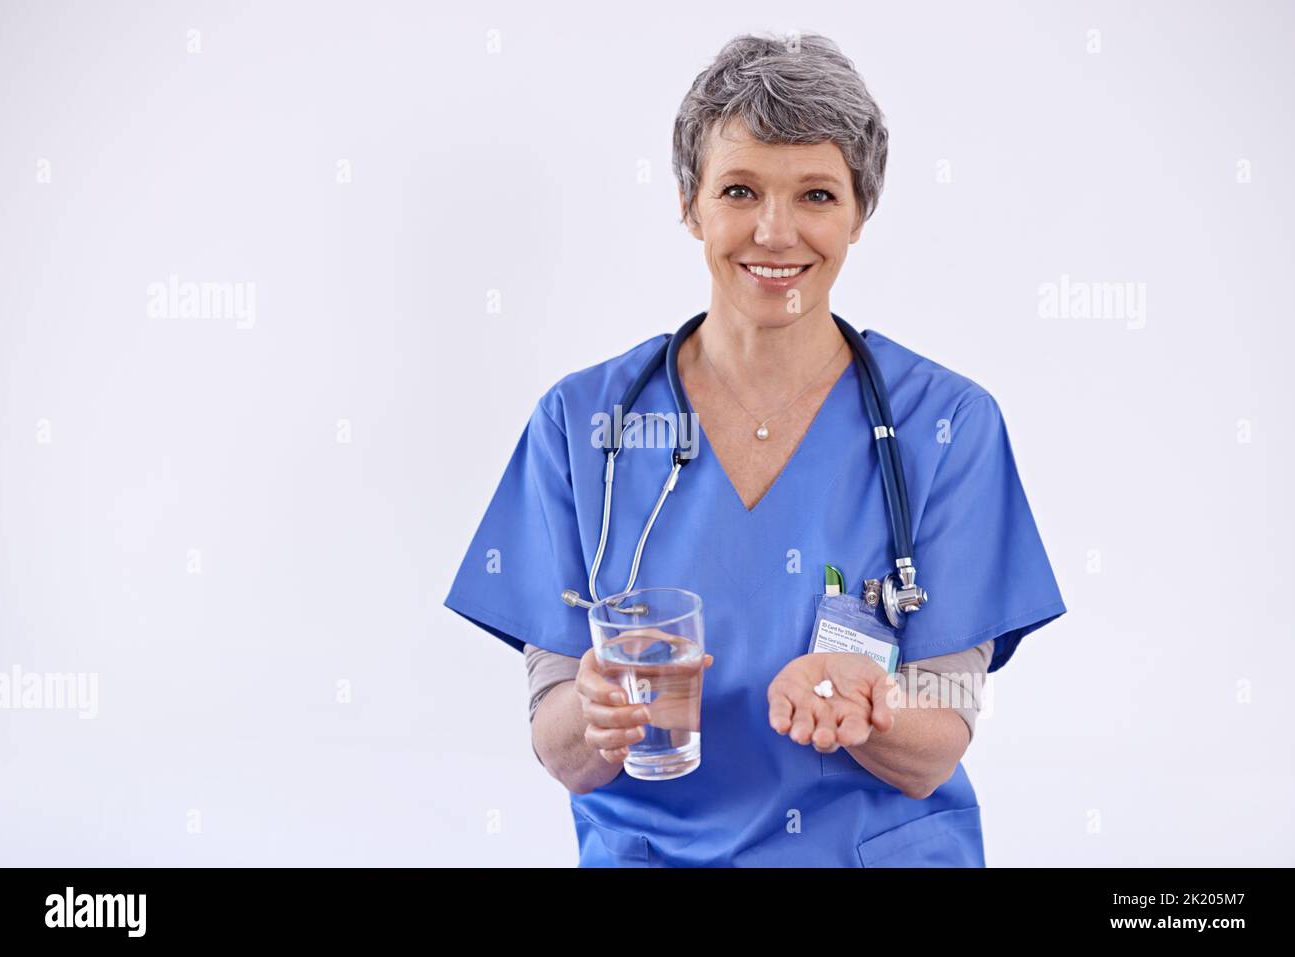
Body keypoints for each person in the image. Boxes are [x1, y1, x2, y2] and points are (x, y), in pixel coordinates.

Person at [444, 32, 1066, 867]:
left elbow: (935, 747)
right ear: (689, 203)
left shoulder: (945, 425)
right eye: (739, 190)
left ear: (859, 212)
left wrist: (873, 707)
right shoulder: (582, 424)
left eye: (816, 194)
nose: (776, 233)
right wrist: (595, 713)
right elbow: (562, 749)